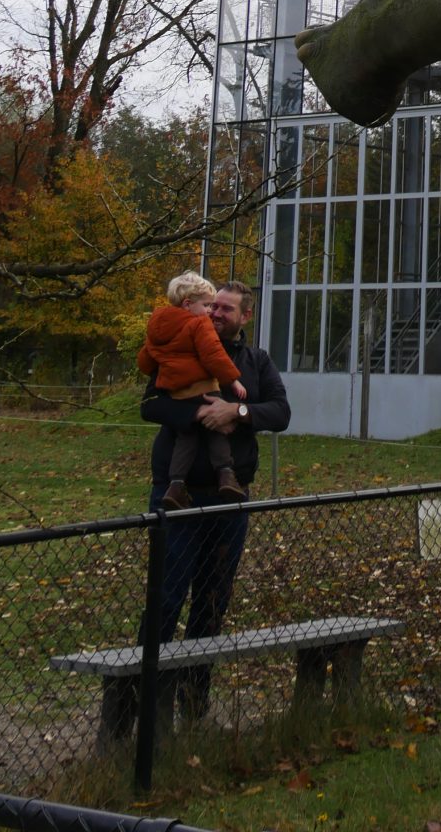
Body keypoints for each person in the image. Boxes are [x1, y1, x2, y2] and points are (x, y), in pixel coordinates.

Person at [139, 278, 290, 716]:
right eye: (213, 306)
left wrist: (236, 411)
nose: (216, 314)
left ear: (245, 316)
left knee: (211, 602)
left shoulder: (256, 361)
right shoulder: (178, 345)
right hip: (177, 497)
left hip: (230, 501)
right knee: (165, 598)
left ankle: (194, 702)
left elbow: (280, 411)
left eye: (225, 309)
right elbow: (150, 405)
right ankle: (142, 706)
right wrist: (201, 413)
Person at [137, 271, 248, 508]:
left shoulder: (157, 327)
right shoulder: (198, 323)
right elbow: (213, 355)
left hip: (177, 392)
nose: (210, 312)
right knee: (216, 431)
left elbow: (146, 361)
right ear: (188, 304)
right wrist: (233, 380)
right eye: (207, 305)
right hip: (202, 386)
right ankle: (226, 474)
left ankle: (176, 484)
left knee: (186, 436)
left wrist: (162, 367)